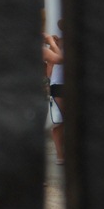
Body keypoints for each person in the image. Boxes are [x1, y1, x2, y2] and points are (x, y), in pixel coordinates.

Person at [44, 27, 65, 165]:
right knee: (58, 121)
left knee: (62, 122)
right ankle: (60, 154)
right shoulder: (51, 51)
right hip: (58, 86)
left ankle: (62, 154)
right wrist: (52, 44)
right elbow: (50, 72)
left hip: (62, 85)